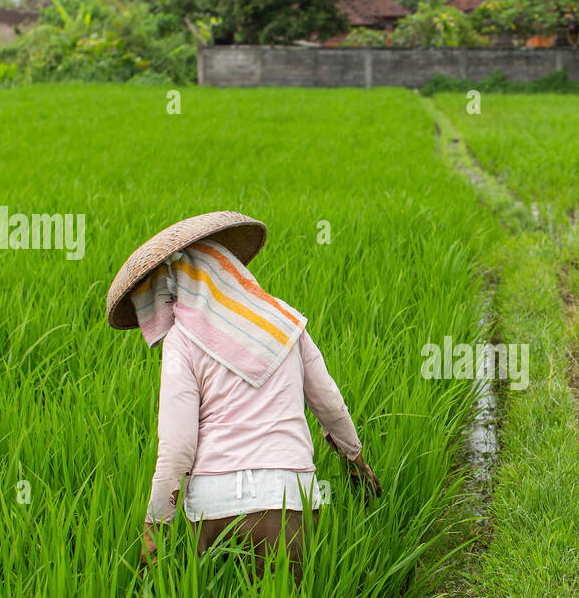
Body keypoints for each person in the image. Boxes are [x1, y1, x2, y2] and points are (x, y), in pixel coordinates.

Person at [105, 211, 380, 579]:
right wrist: (355, 460)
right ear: (231, 270)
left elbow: (177, 446)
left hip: (211, 513)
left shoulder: (181, 341)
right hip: (288, 499)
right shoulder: (284, 321)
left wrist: (156, 525)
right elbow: (329, 403)